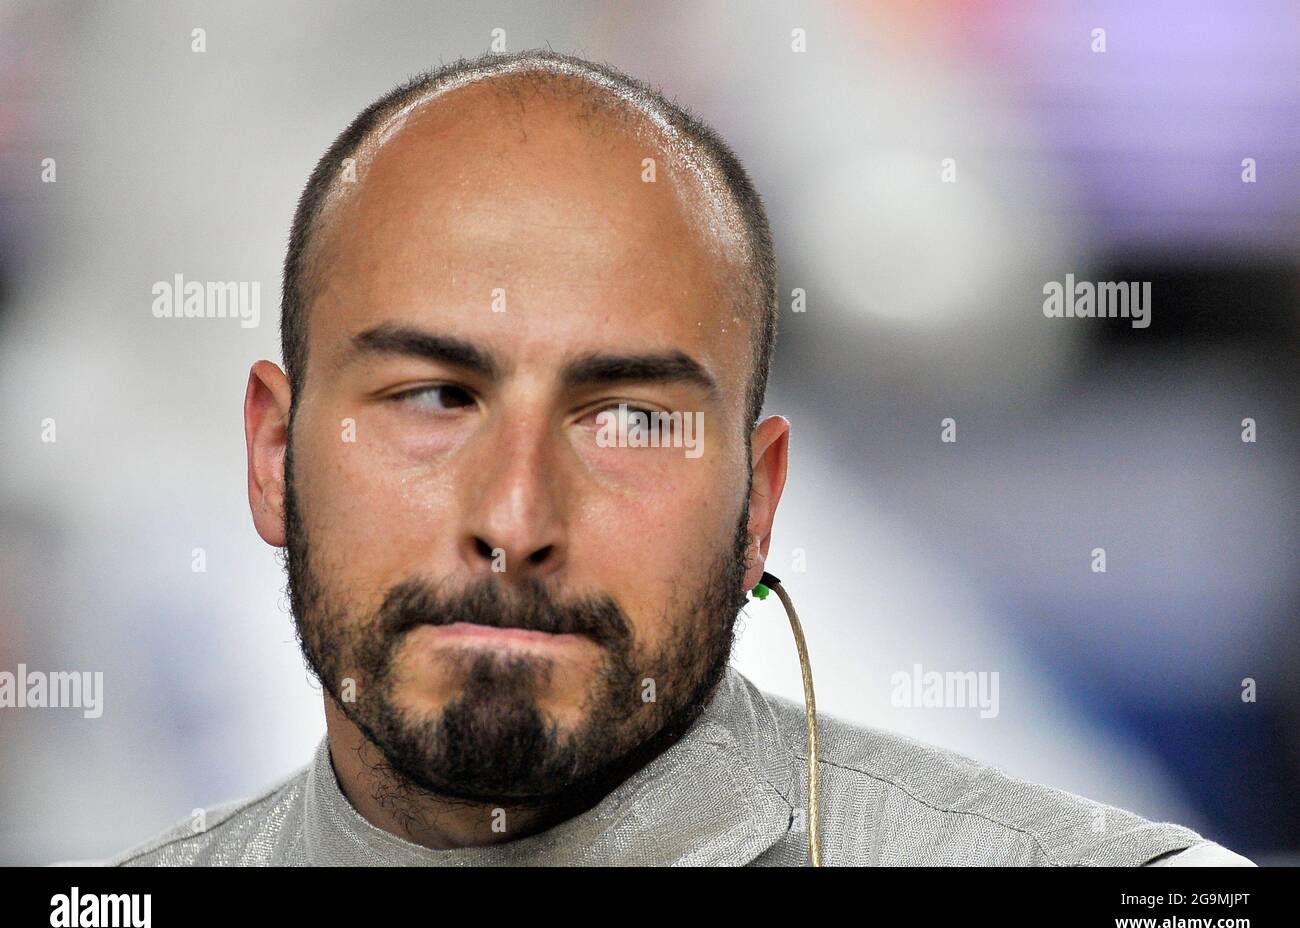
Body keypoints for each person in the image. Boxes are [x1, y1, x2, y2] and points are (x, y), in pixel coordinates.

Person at [107, 50, 1251, 867]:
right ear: (270, 445)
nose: (513, 513)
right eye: (438, 393)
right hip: (153, 463)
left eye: (624, 413)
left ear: (762, 500)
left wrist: (902, 203)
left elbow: (939, 259)